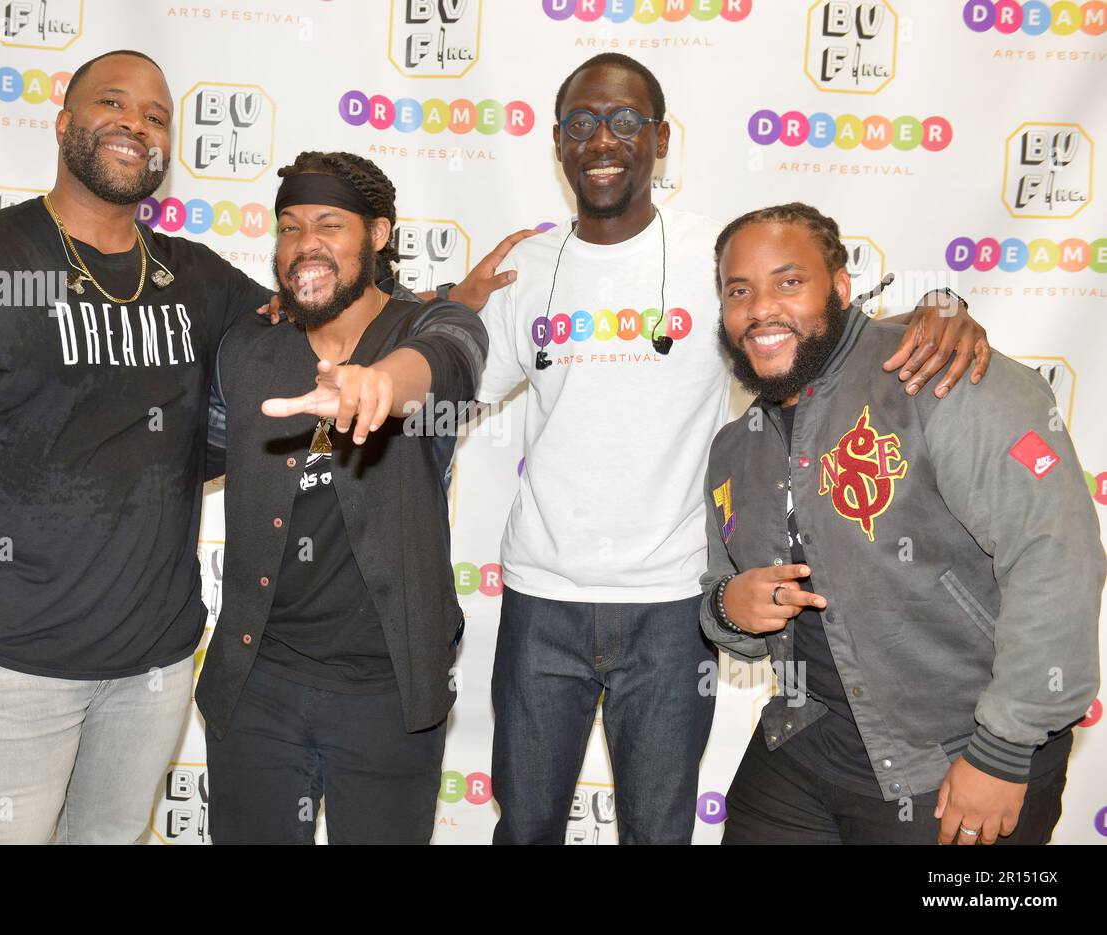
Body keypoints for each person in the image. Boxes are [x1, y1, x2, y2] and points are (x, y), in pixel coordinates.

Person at [473, 53, 993, 844]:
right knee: (528, 826)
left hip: (674, 603)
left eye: (623, 121)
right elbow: (445, 382)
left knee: (659, 829)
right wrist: (446, 302)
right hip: (542, 599)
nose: (602, 139)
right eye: (581, 123)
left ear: (661, 139)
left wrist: (944, 305)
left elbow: (828, 328)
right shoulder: (527, 269)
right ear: (557, 144)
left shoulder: (714, 262)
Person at [0, 50, 275, 844]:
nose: (135, 124)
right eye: (112, 103)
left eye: (155, 117)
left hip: (153, 666)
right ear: (63, 123)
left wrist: (441, 316)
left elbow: (305, 333)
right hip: (3, 668)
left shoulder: (198, 280)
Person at [701, 202, 1104, 845]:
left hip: (955, 755)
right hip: (805, 742)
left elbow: (1054, 555)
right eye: (738, 290)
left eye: (788, 282)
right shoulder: (734, 448)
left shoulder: (936, 371)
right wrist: (728, 606)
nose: (761, 309)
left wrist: (1002, 750)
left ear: (838, 288)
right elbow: (729, 608)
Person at [195, 152, 488, 844]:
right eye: (290, 227)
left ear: (379, 233)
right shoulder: (247, 348)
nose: (305, 244)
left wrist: (381, 383)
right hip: (257, 684)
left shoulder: (431, 325)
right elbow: (182, 457)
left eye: (330, 223)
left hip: (388, 692)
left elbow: (450, 358)